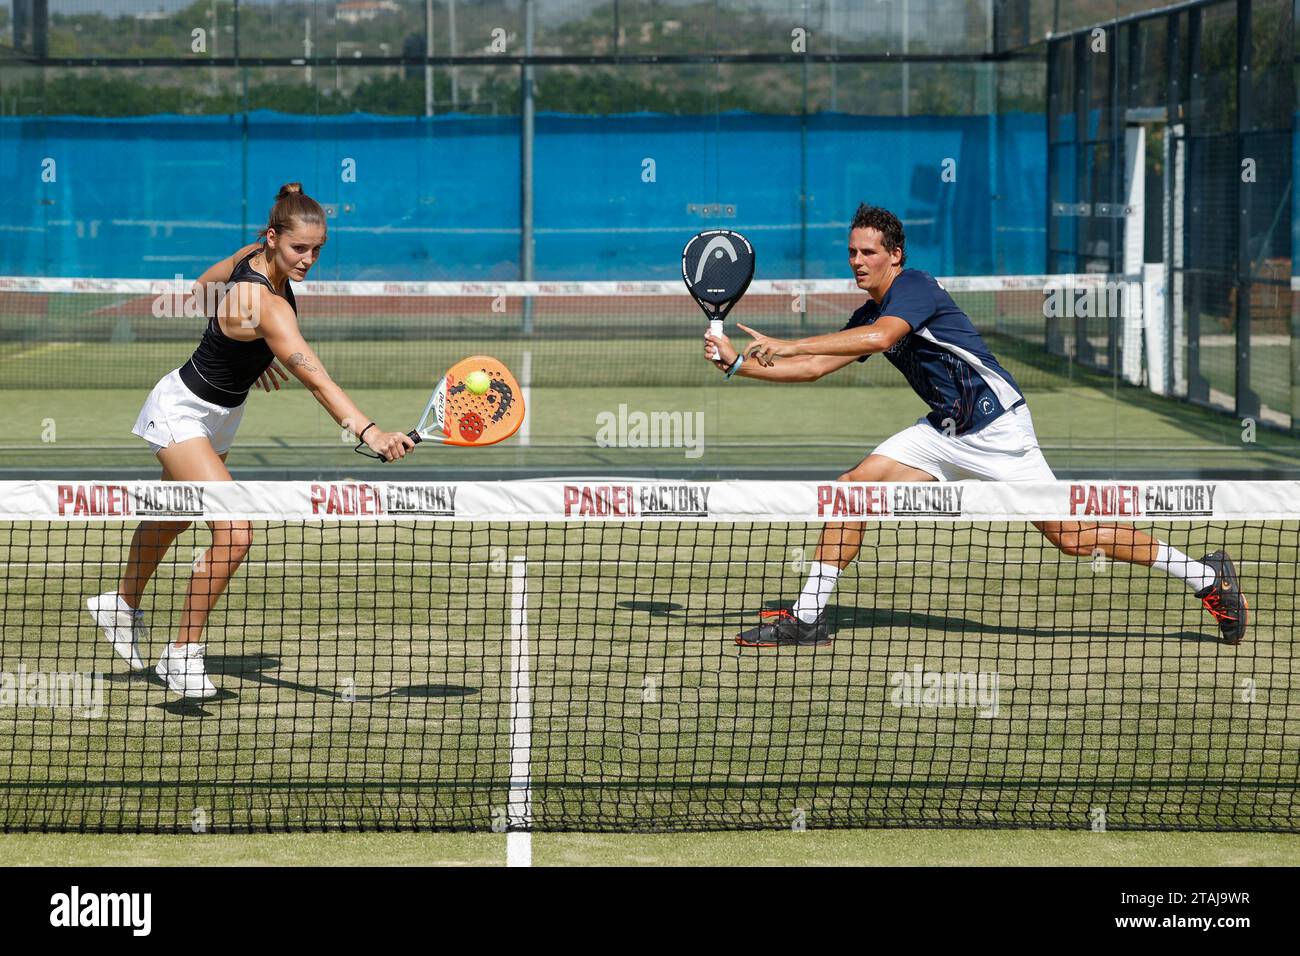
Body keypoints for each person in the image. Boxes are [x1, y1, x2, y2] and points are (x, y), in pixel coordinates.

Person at [704, 203, 1247, 648]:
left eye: (868, 252)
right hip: (942, 432)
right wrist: (737, 365)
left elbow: (880, 340)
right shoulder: (867, 311)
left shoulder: (913, 287)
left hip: (998, 432)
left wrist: (790, 340)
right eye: (851, 252)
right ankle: (808, 617)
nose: (857, 261)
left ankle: (1206, 576)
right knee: (852, 491)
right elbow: (818, 367)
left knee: (1072, 538)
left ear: (894, 256)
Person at [86, 182, 415, 698]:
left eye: (317, 250)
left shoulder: (249, 256)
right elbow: (317, 379)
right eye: (298, 249)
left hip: (222, 415)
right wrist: (370, 431)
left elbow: (200, 289)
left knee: (177, 514)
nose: (308, 260)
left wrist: (244, 349)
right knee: (236, 533)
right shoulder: (271, 307)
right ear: (272, 238)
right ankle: (182, 654)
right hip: (180, 412)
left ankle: (121, 603)